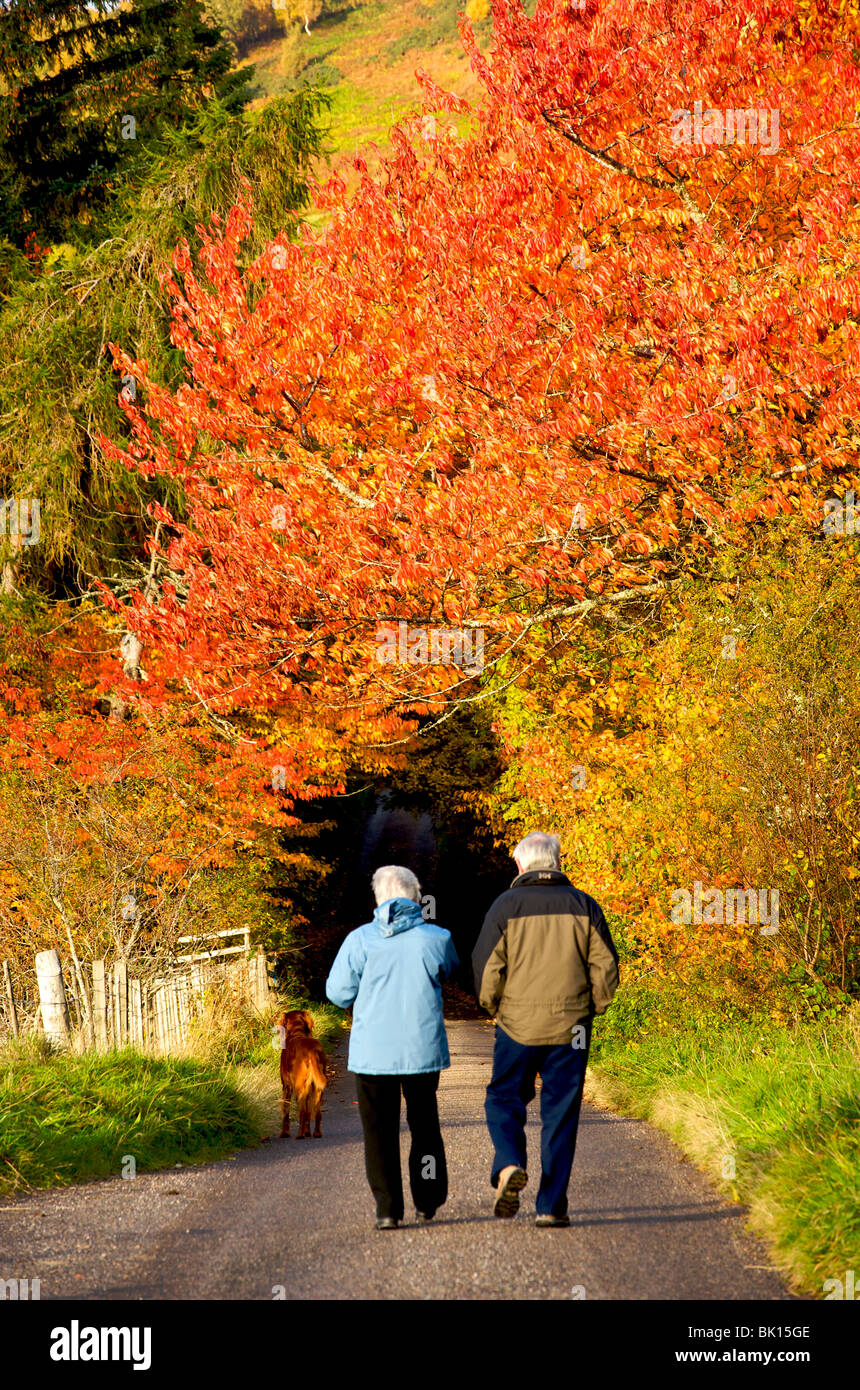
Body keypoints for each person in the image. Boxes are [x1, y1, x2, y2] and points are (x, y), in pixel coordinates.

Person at [472, 831, 619, 1227]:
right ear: (556, 862)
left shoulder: (505, 906)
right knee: (561, 1113)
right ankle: (551, 1207)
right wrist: (592, 1009)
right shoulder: (584, 905)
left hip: (517, 1026)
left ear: (520, 865)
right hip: (571, 1029)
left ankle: (508, 1164)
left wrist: (495, 1008)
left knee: (504, 1098)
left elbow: (487, 970)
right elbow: (604, 967)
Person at [326, 864, 459, 1230]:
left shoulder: (360, 940)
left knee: (379, 1132)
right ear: (415, 897)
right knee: (424, 1125)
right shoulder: (437, 938)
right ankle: (427, 1201)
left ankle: (387, 1209)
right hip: (422, 1052)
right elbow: (450, 971)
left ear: (378, 898)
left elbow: (337, 994)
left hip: (373, 1055)